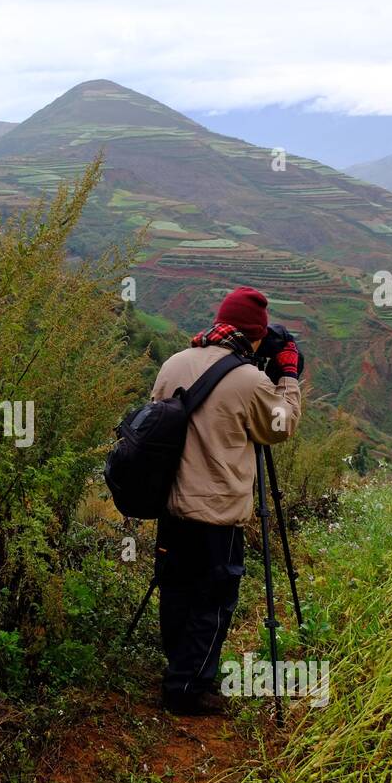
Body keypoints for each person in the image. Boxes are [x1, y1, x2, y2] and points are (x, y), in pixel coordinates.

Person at [149, 286, 302, 716]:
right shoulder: (250, 381)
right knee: (212, 602)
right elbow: (281, 426)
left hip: (171, 507)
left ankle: (178, 666)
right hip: (216, 515)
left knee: (176, 591)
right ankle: (185, 690)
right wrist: (287, 375)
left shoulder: (174, 362)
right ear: (255, 336)